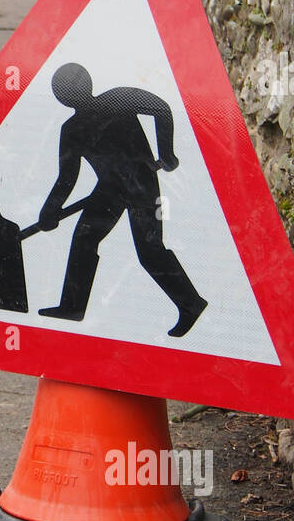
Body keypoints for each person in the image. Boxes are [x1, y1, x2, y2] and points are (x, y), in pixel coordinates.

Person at [36, 63, 207, 337]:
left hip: (141, 184)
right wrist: (49, 210)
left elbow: (161, 108)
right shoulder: (72, 129)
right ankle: (72, 306)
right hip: (109, 190)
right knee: (83, 239)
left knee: (150, 251)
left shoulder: (117, 99)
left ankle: (192, 304)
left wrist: (167, 152)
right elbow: (67, 177)